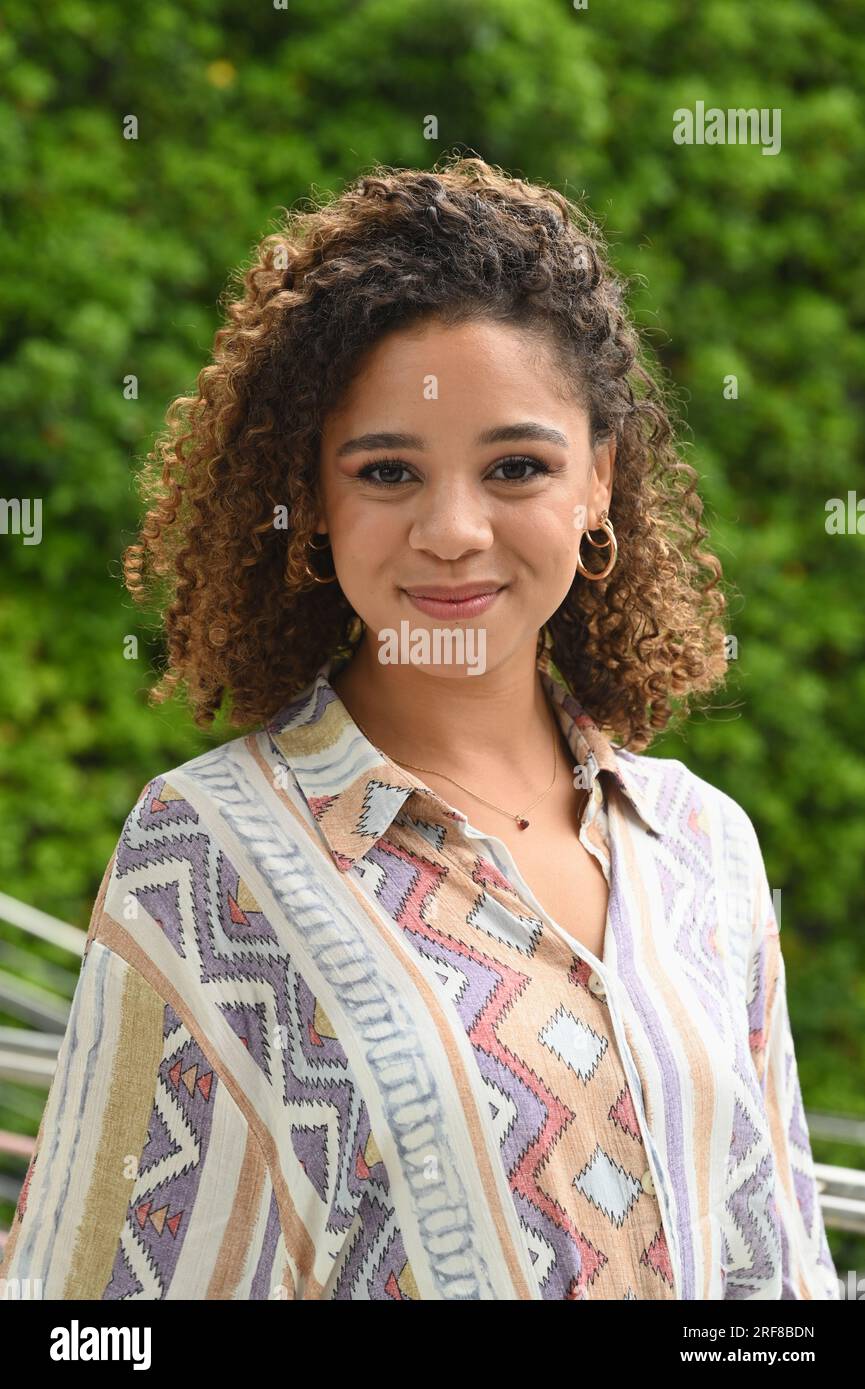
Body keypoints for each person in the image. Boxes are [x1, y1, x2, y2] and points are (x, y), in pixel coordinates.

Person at [0, 156, 839, 1301]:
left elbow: (779, 1278)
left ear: (595, 482)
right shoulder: (207, 857)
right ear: (316, 496)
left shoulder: (706, 848)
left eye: (516, 467)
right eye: (389, 470)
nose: (452, 531)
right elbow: (81, 1306)